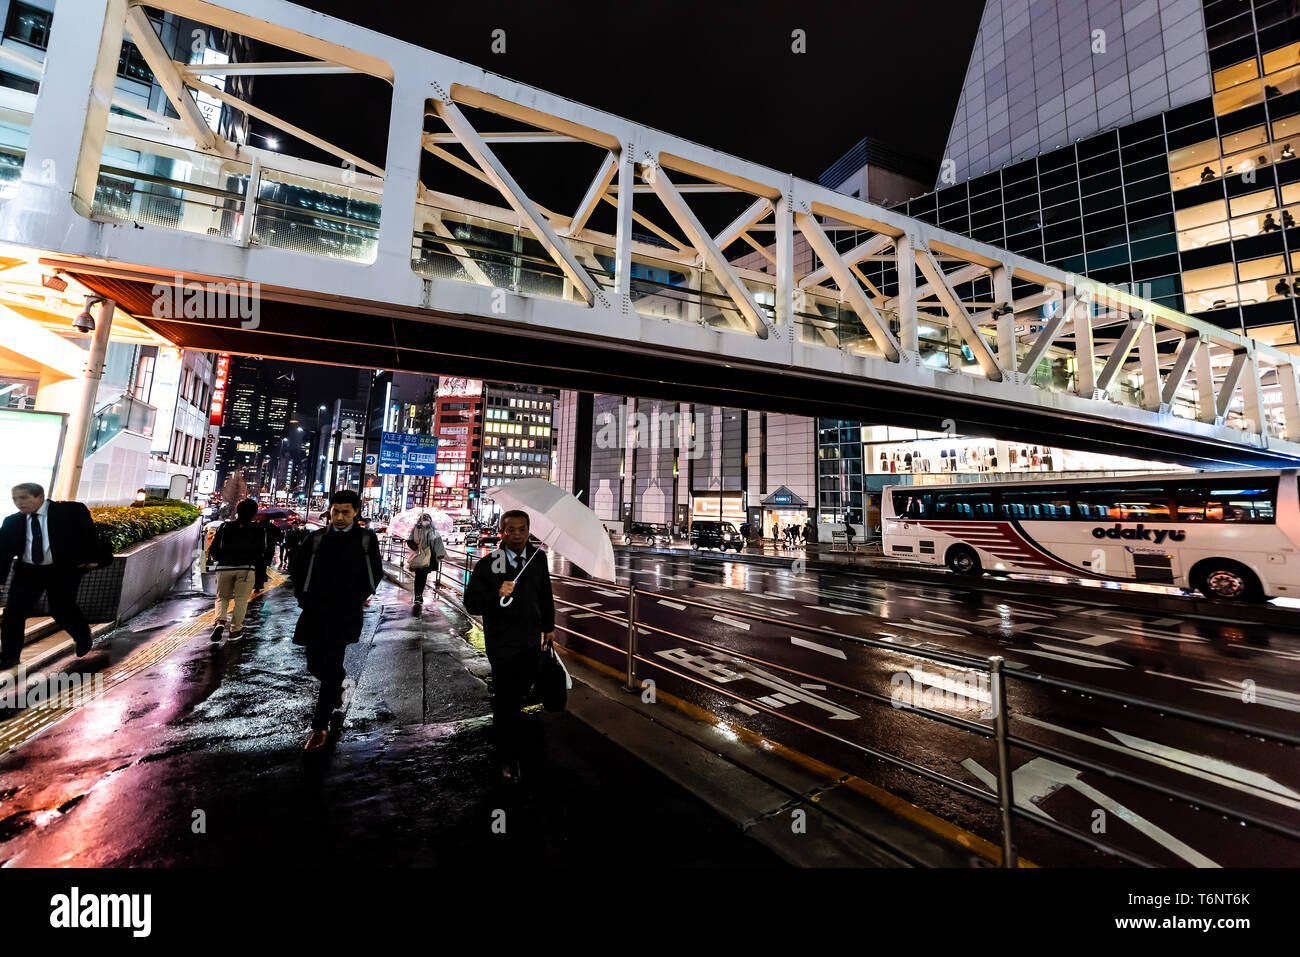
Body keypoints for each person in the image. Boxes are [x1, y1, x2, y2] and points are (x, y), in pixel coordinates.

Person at [463, 509, 555, 785]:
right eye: (510, 529)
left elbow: (545, 594)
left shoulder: (538, 559)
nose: (517, 535)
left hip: (529, 641)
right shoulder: (490, 563)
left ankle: (514, 738)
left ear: (529, 530)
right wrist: (496, 594)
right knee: (507, 699)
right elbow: (472, 603)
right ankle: (507, 756)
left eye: (522, 529)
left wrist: (548, 626)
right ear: (502, 531)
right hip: (502, 642)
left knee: (520, 692)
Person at [290, 490, 383, 752]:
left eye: (345, 512)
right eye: (335, 511)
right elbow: (297, 569)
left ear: (356, 512)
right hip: (314, 610)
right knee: (313, 664)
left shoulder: (366, 539)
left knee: (331, 664)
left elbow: (375, 572)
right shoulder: (317, 538)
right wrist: (302, 598)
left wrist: (358, 597)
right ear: (329, 511)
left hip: (344, 612)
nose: (339, 517)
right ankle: (337, 682)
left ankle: (320, 726)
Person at [0, 483, 111, 666]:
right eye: (15, 499)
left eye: (23, 498)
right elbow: (3, 552)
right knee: (14, 613)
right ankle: (10, 656)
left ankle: (81, 634)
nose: (18, 503)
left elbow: (90, 537)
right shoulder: (12, 521)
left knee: (61, 609)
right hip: (28, 572)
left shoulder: (70, 511)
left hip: (61, 570)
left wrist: (95, 559)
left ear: (39, 497)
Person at [207, 499, 266, 641]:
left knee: (222, 597)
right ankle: (235, 631)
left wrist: (222, 559)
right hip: (246, 569)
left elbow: (213, 548)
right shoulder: (257, 529)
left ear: (237, 511)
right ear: (254, 513)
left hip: (224, 567)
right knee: (241, 600)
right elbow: (261, 551)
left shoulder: (225, 526)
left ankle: (220, 621)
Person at [405, 512, 446, 609]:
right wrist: (415, 546)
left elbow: (438, 542)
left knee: (423, 576)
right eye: (424, 519)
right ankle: (418, 595)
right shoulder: (416, 529)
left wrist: (440, 554)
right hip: (419, 554)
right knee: (419, 575)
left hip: (429, 556)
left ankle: (419, 595)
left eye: (427, 519)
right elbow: (410, 540)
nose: (425, 521)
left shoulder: (433, 530)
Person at [256, 518, 283, 589]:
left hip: (265, 549)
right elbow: (279, 537)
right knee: (263, 564)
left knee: (263, 564)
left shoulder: (273, 528)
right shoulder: (258, 527)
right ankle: (260, 581)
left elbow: (279, 537)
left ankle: (261, 579)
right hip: (265, 549)